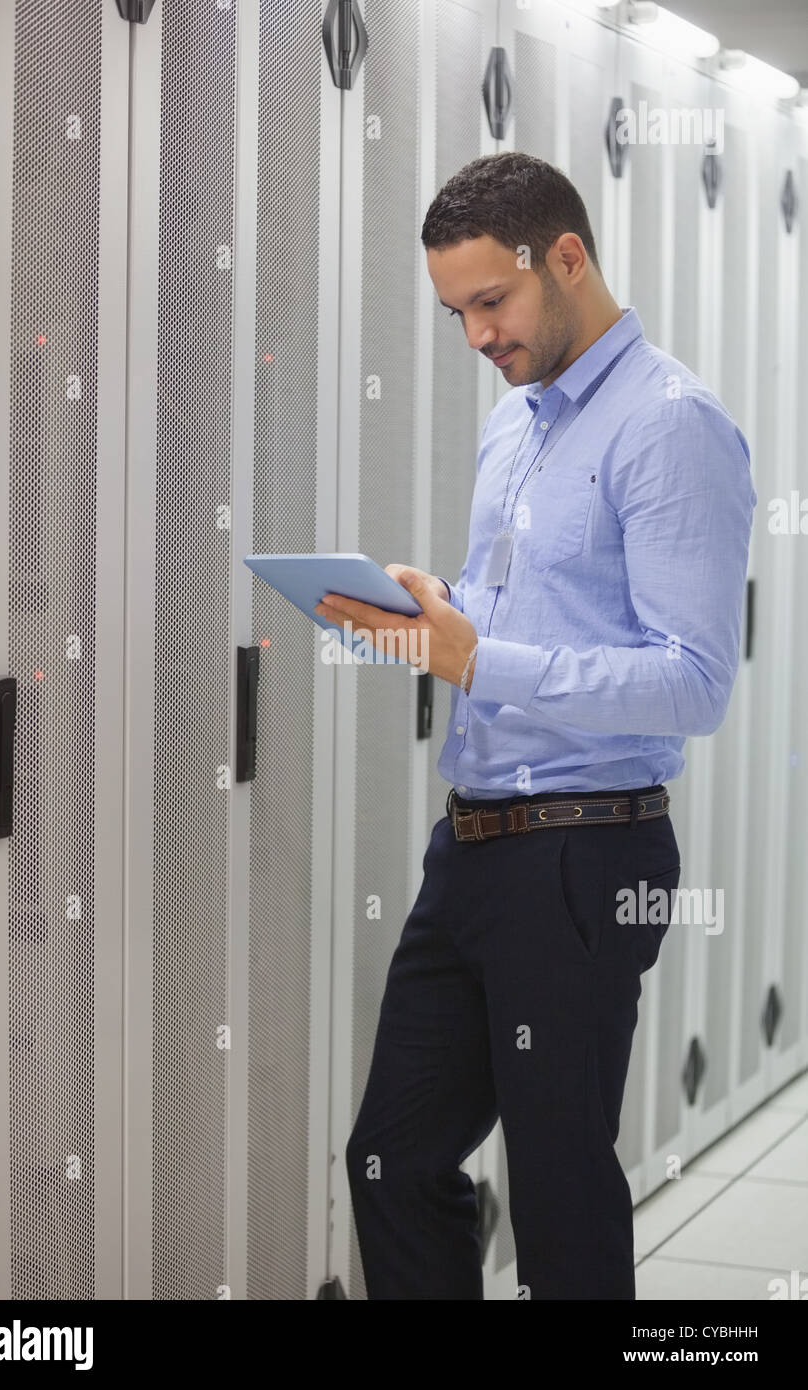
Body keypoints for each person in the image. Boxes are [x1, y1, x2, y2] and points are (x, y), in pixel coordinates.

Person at [314, 151, 757, 1299]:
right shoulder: (513, 428)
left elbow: (692, 682)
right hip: (472, 847)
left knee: (556, 1181)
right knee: (388, 1156)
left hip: (586, 852)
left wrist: (476, 656)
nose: (475, 336)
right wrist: (436, 615)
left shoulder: (668, 425)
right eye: (455, 311)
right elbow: (526, 618)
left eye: (489, 302)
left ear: (563, 256)